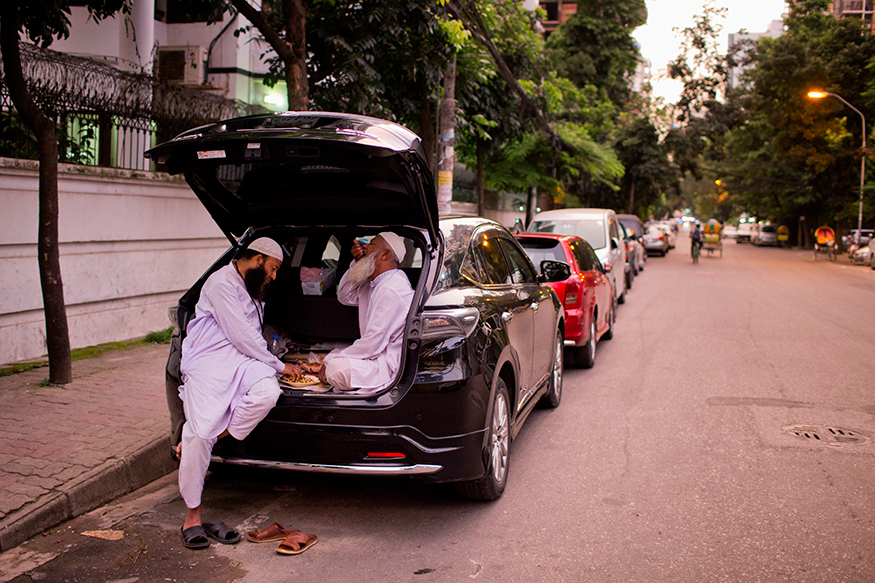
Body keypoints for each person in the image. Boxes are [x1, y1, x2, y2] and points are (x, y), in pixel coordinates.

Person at [176, 237, 303, 549]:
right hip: (209, 361)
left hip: (241, 360)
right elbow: (242, 334)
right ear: (258, 260)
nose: (274, 276)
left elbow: (250, 337)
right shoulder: (221, 283)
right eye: (273, 268)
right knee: (199, 434)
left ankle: (207, 438)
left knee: (267, 392)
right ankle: (192, 517)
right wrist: (279, 364)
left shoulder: (251, 285)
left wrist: (272, 364)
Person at [317, 232, 414, 395]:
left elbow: (372, 344)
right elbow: (344, 296)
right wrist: (358, 262)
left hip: (385, 364)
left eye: (372, 244)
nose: (365, 246)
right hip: (374, 354)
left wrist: (329, 361)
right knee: (335, 354)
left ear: (385, 254)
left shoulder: (392, 288)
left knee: (335, 368)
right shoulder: (375, 283)